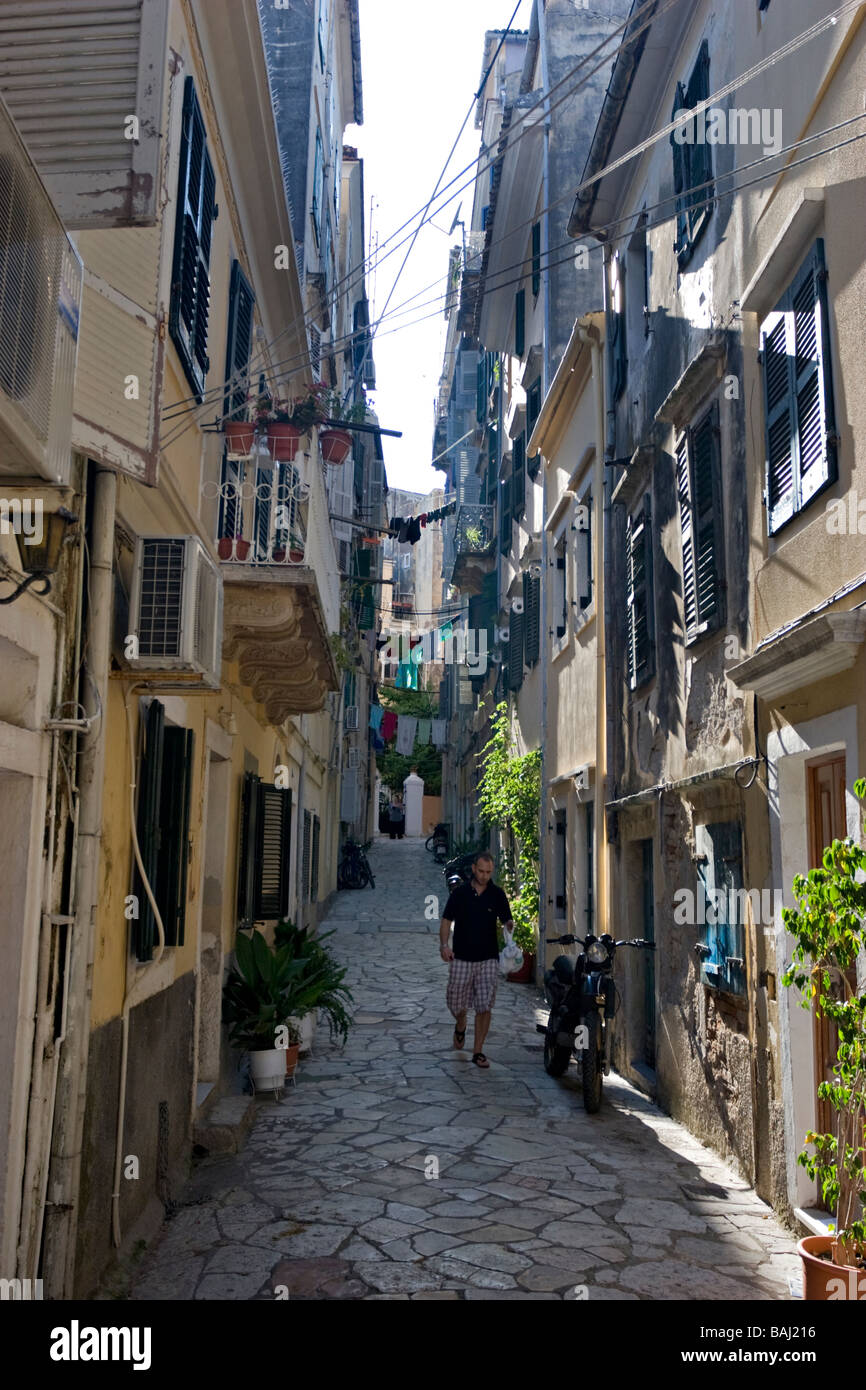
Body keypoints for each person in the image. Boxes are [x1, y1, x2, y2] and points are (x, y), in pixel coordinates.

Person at [439, 850, 514, 1069]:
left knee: (484, 1005)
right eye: (481, 871)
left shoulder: (497, 894)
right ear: (473, 869)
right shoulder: (460, 894)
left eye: (488, 872)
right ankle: (461, 1022)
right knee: (455, 1003)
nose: (484, 876)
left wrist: (509, 927)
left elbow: (506, 919)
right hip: (461, 957)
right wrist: (444, 946)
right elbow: (446, 921)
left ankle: (478, 1051)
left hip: (488, 958)